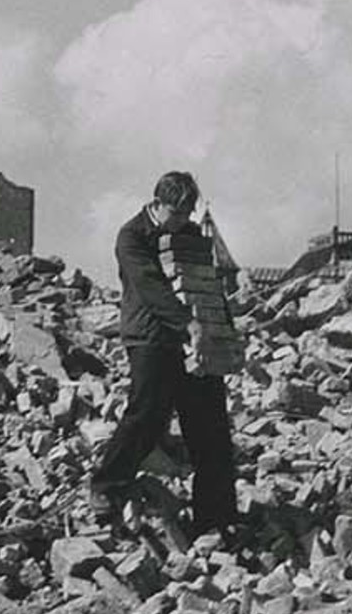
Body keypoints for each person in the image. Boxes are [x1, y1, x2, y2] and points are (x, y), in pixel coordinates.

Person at [90, 169, 240, 545]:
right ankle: (107, 484)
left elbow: (206, 283)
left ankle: (216, 518)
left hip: (195, 339)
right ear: (157, 204)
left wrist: (221, 329)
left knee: (211, 428)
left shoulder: (189, 235)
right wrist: (188, 326)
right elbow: (152, 288)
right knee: (148, 412)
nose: (183, 221)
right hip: (150, 337)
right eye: (176, 213)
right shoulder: (131, 236)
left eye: (188, 214)